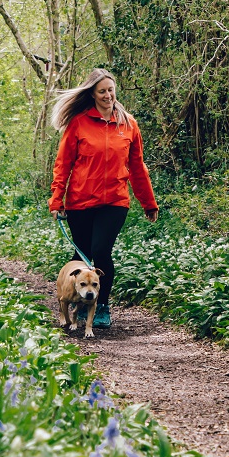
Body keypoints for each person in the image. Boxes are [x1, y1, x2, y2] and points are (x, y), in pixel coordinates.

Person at [49, 68, 159, 328]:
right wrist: (56, 199)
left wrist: (148, 202)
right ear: (93, 94)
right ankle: (78, 301)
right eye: (102, 91)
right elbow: (63, 164)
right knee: (83, 254)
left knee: (100, 251)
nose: (108, 95)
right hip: (80, 201)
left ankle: (102, 306)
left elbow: (137, 167)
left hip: (114, 202)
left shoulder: (128, 124)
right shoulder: (78, 122)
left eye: (111, 90)